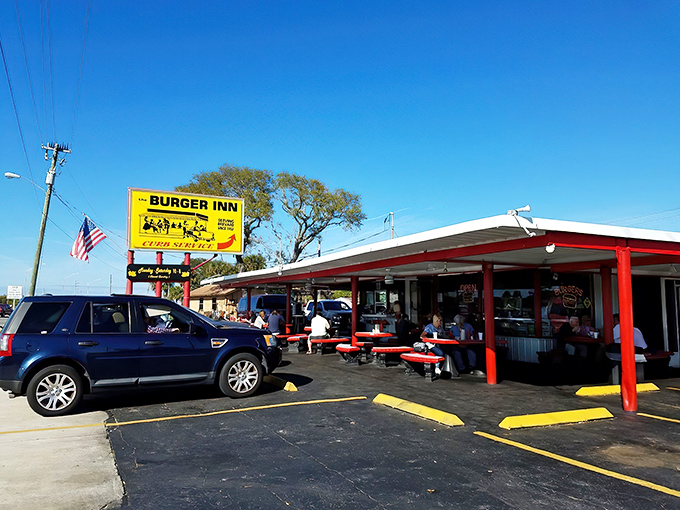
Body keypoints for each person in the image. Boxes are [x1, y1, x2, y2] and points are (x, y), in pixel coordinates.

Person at [420, 313, 448, 377]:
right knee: (440, 352)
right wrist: (430, 340)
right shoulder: (429, 327)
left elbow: (444, 335)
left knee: (449, 350)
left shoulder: (440, 328)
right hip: (430, 345)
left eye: (441, 321)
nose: (440, 322)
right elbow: (422, 336)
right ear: (435, 321)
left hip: (439, 344)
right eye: (439, 321)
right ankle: (437, 368)